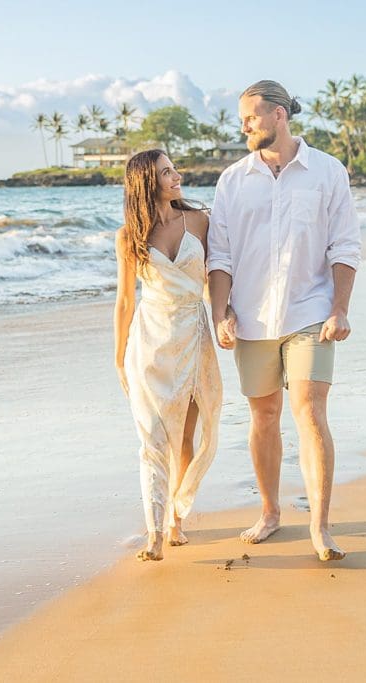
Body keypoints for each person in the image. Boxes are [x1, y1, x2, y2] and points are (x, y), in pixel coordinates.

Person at [207, 80, 361, 561]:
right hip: (251, 317)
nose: (245, 127)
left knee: (310, 411)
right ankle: (270, 512)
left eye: (251, 117)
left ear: (279, 114)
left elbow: (345, 245)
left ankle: (320, 526)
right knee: (264, 415)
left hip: (311, 311)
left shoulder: (327, 171)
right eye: (242, 120)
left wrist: (339, 308)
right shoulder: (232, 180)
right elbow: (219, 255)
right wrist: (220, 313)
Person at [114, 149, 222, 562]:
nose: (177, 176)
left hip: (193, 337)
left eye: (174, 169)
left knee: (186, 436)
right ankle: (154, 533)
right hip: (150, 343)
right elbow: (126, 301)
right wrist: (118, 356)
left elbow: (214, 278)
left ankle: (176, 516)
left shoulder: (199, 222)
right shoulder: (129, 236)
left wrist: (224, 317)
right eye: (166, 172)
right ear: (147, 182)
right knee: (153, 438)